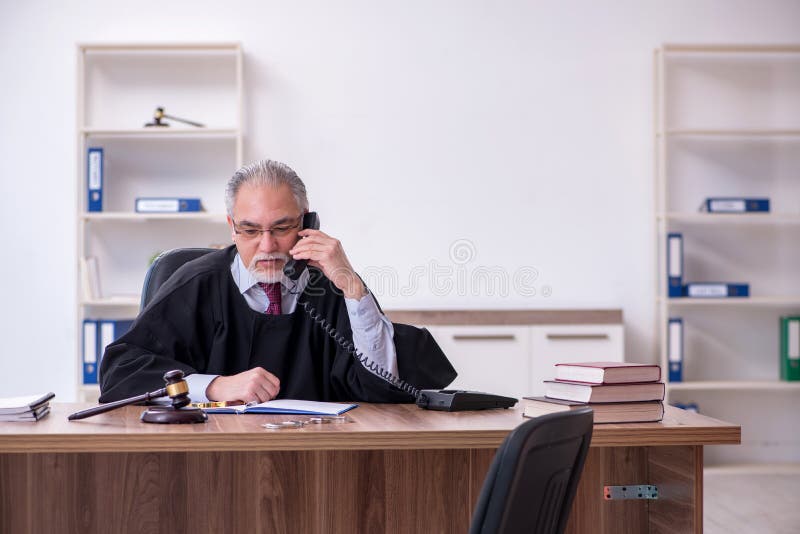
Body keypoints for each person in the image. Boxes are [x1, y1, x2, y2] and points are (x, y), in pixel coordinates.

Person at [99, 159, 455, 403]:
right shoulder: (195, 284)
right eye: (251, 230)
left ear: (307, 222)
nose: (267, 246)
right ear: (231, 228)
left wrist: (352, 286)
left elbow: (384, 382)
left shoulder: (330, 285)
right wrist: (215, 387)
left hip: (320, 461)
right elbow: (121, 372)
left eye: (282, 228)